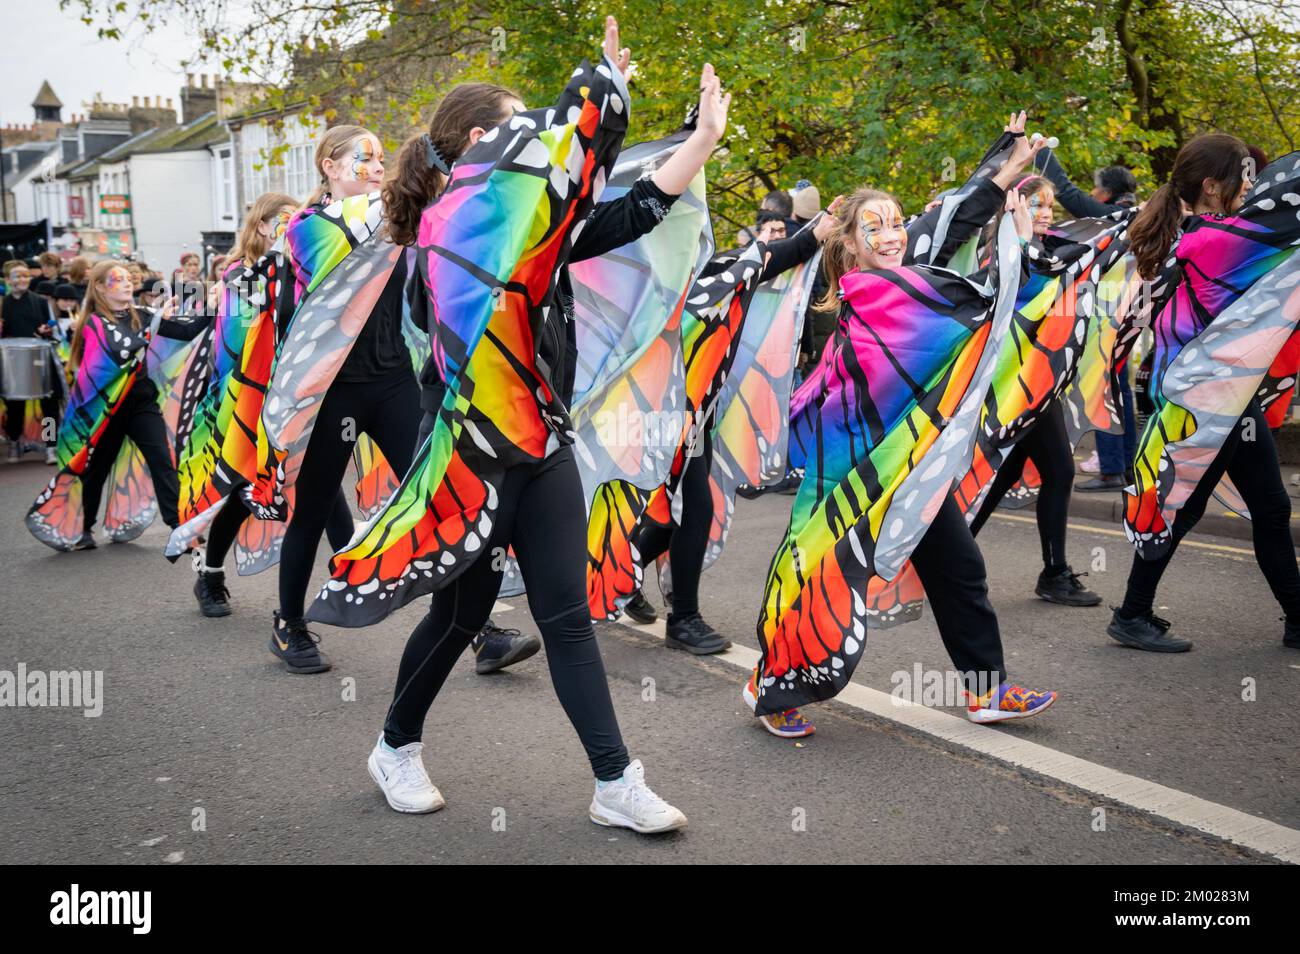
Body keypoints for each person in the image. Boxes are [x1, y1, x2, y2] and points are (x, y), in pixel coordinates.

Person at [309, 16, 710, 831]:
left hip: (540, 443)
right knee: (459, 615)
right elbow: (574, 157)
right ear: (485, 140)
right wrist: (599, 83)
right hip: (467, 454)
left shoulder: (534, 231)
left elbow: (628, 212)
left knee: (565, 615)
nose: (537, 140)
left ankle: (613, 783)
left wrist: (701, 140)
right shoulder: (446, 230)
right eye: (522, 125)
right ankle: (394, 747)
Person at [746, 120, 1061, 738]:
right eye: (876, 228)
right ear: (850, 248)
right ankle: (771, 682)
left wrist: (1007, 158)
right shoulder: (875, 294)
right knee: (820, 572)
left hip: (908, 465)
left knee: (958, 566)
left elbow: (953, 217)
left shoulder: (904, 270)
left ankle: (987, 690)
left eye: (896, 225)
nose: (892, 237)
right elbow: (974, 300)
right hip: (856, 465)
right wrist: (1013, 245)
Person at [1108, 135, 1300, 652]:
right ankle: (1132, 614)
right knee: (1183, 504)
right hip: (1203, 401)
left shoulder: (1193, 232)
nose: (1253, 189)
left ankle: (1297, 618)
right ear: (1213, 187)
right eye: (1245, 178)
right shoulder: (1215, 239)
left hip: (1219, 395)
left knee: (1268, 506)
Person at [619, 209, 836, 642]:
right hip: (659, 414)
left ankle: (621, 577)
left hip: (696, 415)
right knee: (691, 508)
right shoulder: (646, 278)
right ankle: (682, 618)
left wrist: (818, 230)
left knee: (671, 512)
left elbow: (769, 258)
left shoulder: (711, 270)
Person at [261, 125, 422, 673]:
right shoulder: (307, 229)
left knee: (437, 494)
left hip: (395, 380)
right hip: (333, 392)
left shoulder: (398, 225)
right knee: (311, 513)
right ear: (329, 165)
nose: (378, 166)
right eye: (365, 158)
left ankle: (475, 625)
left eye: (383, 159)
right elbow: (352, 227)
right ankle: (289, 625)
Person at [172, 193, 356, 620]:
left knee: (322, 487)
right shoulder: (240, 274)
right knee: (245, 491)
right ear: (261, 228)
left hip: (299, 396)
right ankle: (211, 575)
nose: (294, 229)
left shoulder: (302, 268)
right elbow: (242, 340)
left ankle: (350, 572)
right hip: (249, 399)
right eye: (284, 222)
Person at [965, 175, 1102, 607]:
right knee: (1059, 471)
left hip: (1040, 381)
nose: (1045, 214)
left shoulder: (1045, 248)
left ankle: (947, 556)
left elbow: (1084, 248)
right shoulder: (1007, 249)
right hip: (1016, 383)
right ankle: (1054, 574)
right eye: (1035, 205)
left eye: (1049, 208)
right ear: (1014, 206)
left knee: (1003, 473)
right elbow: (1021, 287)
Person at [27, 261, 208, 550]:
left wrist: (217, 305)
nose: (127, 283)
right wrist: (157, 322)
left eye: (128, 279)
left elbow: (186, 333)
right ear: (99, 287)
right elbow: (120, 349)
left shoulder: (145, 315)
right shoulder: (93, 323)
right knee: (95, 469)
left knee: (163, 460)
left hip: (140, 405)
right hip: (105, 411)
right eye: (117, 279)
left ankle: (179, 527)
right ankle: (83, 528)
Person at [0, 262, 60, 464]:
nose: (23, 279)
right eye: (17, 276)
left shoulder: (41, 302)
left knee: (49, 405)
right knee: (14, 406)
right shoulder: (2, 304)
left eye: (26, 276)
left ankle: (51, 445)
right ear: (8, 280)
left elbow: (54, 331)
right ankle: (15, 442)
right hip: (12, 362)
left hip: (39, 359)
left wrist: (47, 331)